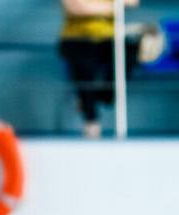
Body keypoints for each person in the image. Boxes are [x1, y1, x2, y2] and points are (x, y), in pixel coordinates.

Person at [58, 0, 140, 138]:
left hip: (109, 38)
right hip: (77, 37)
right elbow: (76, 7)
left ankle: (97, 96)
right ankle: (91, 120)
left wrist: (95, 8)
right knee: (83, 59)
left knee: (130, 52)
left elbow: (132, 2)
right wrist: (115, 7)